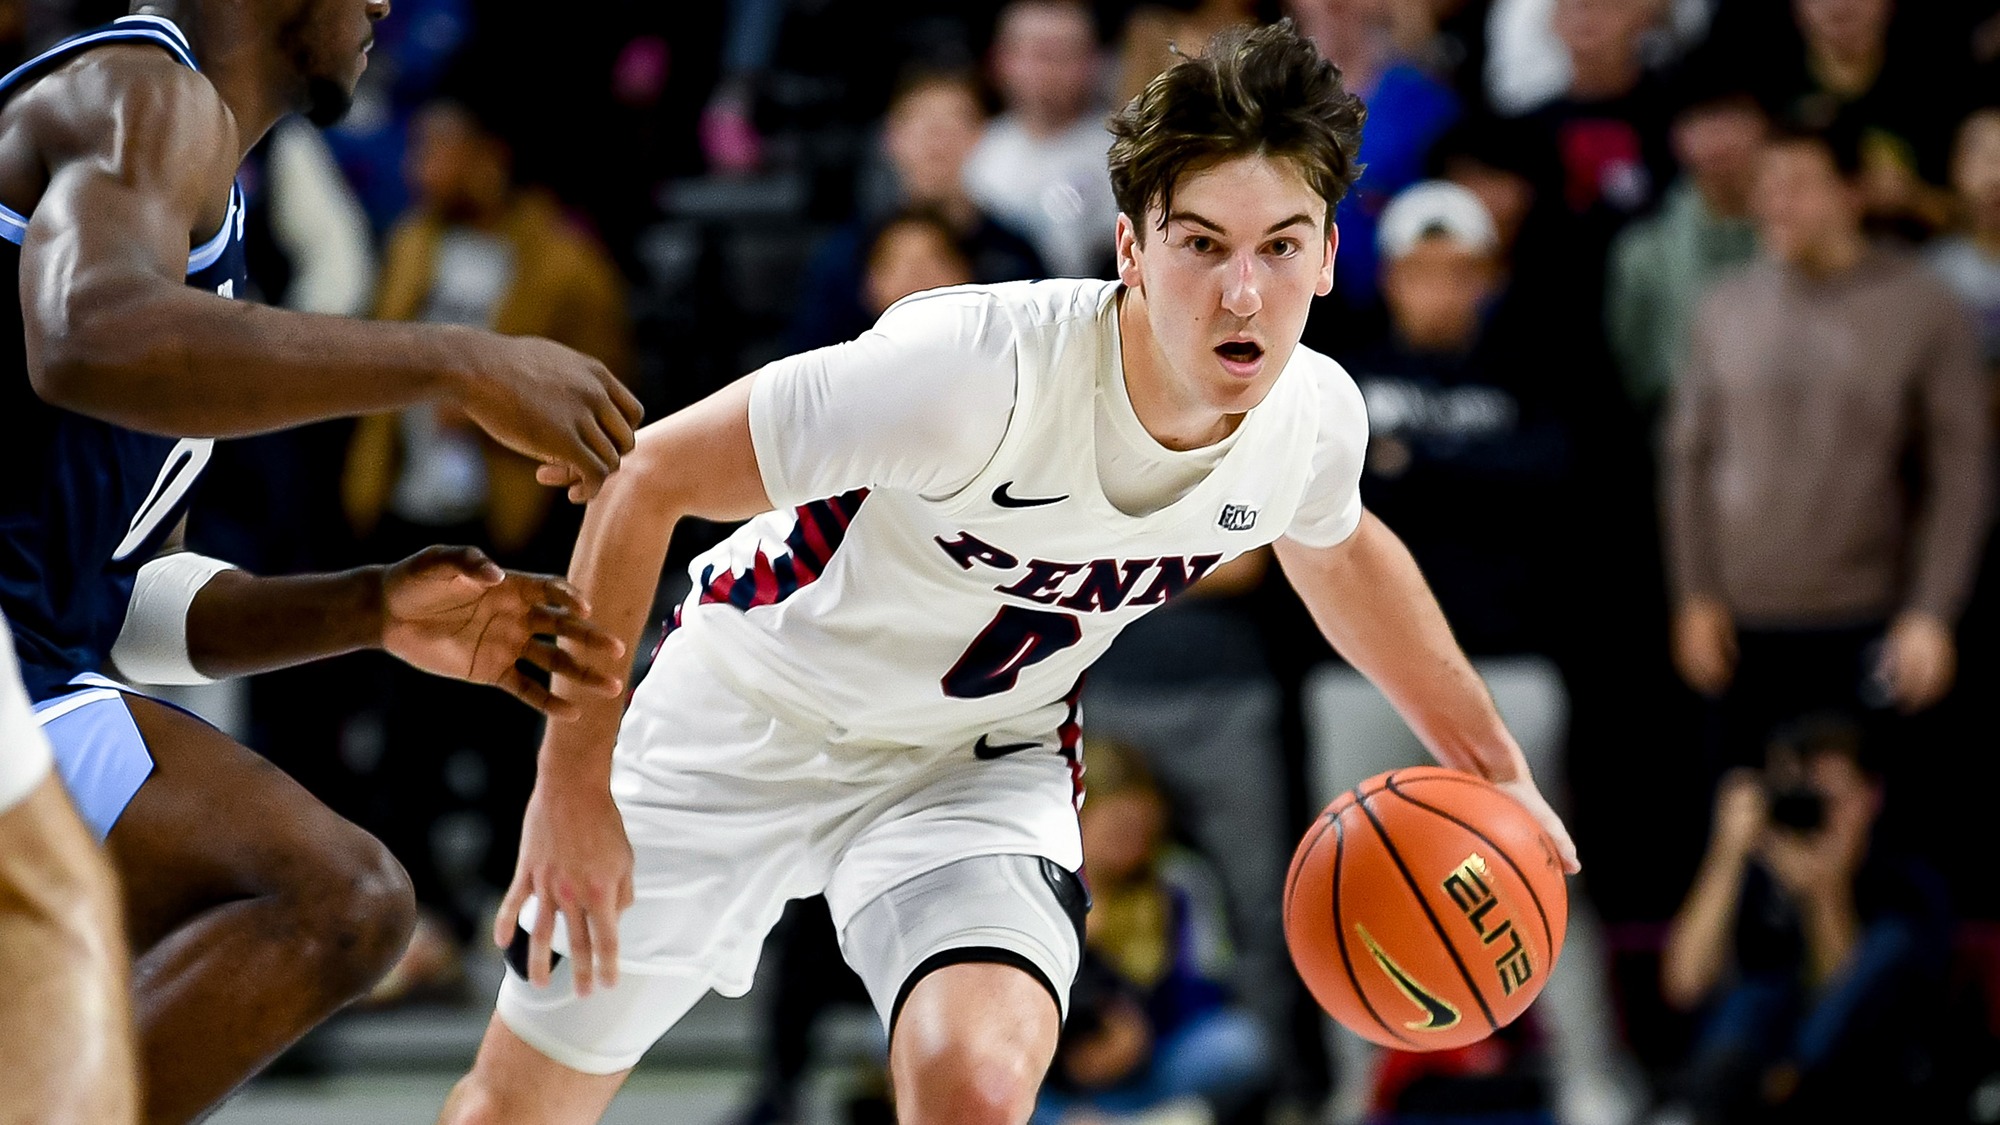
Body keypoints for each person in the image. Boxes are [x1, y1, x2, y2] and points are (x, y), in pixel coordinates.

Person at [439, 20, 1577, 1125]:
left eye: (1280, 246)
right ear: (1131, 248)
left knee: (975, 1092)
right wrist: (569, 787)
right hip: (742, 721)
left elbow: (1340, 547)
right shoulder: (972, 368)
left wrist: (1491, 768)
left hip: (972, 765)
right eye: (1201, 245)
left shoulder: (1313, 418)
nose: (1242, 293)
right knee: (512, 1112)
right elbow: (644, 481)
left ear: (1330, 256)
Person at [0, 5, 643, 1121]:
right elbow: (86, 336)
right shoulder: (141, 90)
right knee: (324, 895)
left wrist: (372, 608)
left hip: (36, 662)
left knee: (326, 901)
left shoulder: (196, 178)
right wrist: (456, 362)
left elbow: (124, 597)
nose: (385, 4)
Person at [1662, 122, 1993, 776]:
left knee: (1873, 833)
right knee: (1741, 820)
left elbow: (1961, 475)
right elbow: (1688, 463)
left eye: (1798, 186)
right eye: (1766, 185)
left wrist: (1932, 611)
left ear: (1853, 194)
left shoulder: (1924, 305)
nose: (1775, 204)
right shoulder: (1722, 307)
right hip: (1740, 622)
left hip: (1871, 617)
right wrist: (1694, 593)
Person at [1659, 719, 1949, 1124]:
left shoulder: (1904, 886)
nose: (1821, 813)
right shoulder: (1759, 874)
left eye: (1834, 796)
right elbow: (1684, 983)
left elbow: (1848, 1010)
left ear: (1872, 795)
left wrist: (1823, 895)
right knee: (1751, 997)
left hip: (1864, 1086)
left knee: (1888, 946)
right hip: (1743, 1086)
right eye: (1805, 795)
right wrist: (1727, 852)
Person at [1032, 739, 1269, 1125]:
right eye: (1117, 828)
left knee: (1237, 1044)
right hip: (1057, 1076)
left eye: (1142, 831)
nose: (1132, 845)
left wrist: (1140, 1035)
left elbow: (1210, 989)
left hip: (1153, 1067)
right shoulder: (1043, 885)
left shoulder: (1180, 883)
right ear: (1079, 818)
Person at [786, 69, 1044, 354]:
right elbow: (809, 365)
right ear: (890, 138)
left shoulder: (1015, 253)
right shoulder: (845, 255)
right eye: (921, 125)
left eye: (954, 123)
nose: (936, 139)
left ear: (981, 136)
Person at [0, 612, 136, 1125]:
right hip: (43, 682)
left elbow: (137, 581)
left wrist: (367, 608)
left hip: (57, 676)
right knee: (61, 913)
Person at [1605, 85, 1764, 413]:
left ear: (1764, 128)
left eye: (1730, 117)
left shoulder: (1806, 235)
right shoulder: (1642, 251)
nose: (1716, 137)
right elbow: (1636, 370)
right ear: (1677, 140)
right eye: (1699, 121)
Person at [964, 0, 1120, 278]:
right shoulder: (974, 150)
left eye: (1065, 54)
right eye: (1038, 54)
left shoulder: (1122, 151)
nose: (1049, 71)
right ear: (1001, 61)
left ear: (1093, 61)